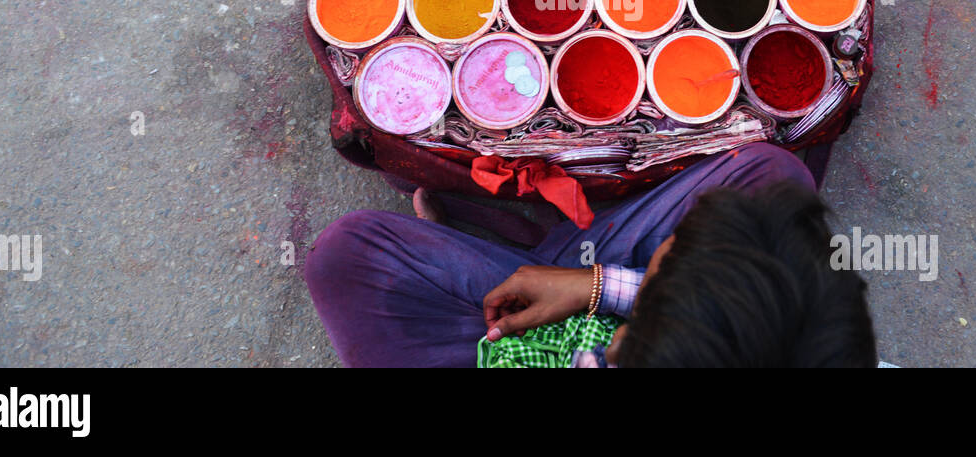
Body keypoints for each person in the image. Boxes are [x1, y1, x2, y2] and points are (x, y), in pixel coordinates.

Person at [303, 142, 877, 367]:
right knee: (776, 174)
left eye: (669, 255)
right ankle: (547, 253)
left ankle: (493, 254)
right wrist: (594, 285)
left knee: (345, 257)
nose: (671, 239)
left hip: (509, 348)